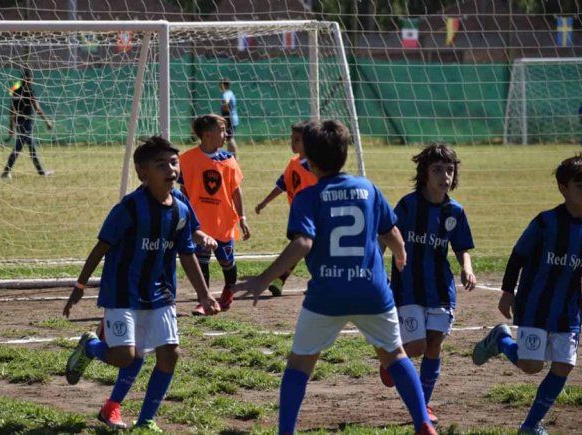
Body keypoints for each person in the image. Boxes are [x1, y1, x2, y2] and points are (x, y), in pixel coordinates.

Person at [234, 119, 437, 435]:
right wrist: (400, 255)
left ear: (309, 161)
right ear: (345, 154)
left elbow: (303, 242)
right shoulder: (368, 189)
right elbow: (392, 232)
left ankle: (285, 431)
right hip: (372, 291)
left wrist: (263, 279)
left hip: (327, 295)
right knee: (394, 355)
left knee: (300, 363)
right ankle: (422, 421)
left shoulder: (307, 197)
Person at [62, 135, 221, 431]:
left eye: (174, 163)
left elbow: (187, 254)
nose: (171, 170)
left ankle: (147, 420)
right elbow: (101, 248)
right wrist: (80, 287)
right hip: (123, 293)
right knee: (125, 356)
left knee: (170, 354)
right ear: (143, 173)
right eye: (162, 165)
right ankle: (90, 347)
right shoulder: (129, 208)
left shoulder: (181, 209)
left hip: (160, 293)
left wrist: (204, 295)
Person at [472, 154, 582, 435]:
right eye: (580, 184)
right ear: (563, 188)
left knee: (564, 366)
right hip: (535, 305)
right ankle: (501, 339)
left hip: (568, 311)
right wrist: (507, 292)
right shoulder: (546, 222)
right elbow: (518, 255)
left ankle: (531, 425)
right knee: (531, 366)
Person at [379, 144, 476, 426]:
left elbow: (462, 247)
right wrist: (376, 266)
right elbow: (385, 235)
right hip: (407, 286)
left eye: (449, 170)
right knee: (418, 345)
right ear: (424, 173)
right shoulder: (408, 205)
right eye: (437, 170)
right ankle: (390, 361)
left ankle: (423, 405)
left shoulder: (455, 211)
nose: (444, 176)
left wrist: (466, 268)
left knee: (435, 344)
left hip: (440, 288)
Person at [179, 114, 250, 315]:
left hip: (223, 222)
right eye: (222, 130)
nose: (226, 135)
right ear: (208, 135)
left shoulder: (228, 160)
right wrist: (184, 216)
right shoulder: (187, 159)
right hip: (199, 224)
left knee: (227, 262)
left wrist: (242, 218)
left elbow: (236, 190)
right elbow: (183, 191)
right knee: (201, 261)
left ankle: (229, 289)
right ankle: (205, 299)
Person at [254, 121, 317, 296]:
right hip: (300, 215)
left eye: (297, 140)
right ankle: (312, 280)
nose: (292, 143)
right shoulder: (293, 163)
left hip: (316, 215)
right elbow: (282, 185)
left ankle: (281, 279)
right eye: (292, 138)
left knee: (306, 248)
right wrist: (265, 202)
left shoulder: (317, 166)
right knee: (306, 249)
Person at [1, 68, 54, 179]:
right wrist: (47, 121)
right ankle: (6, 172)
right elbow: (37, 108)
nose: (32, 81)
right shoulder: (29, 92)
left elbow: (12, 111)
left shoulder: (16, 92)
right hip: (26, 123)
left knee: (28, 147)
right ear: (27, 79)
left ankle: (7, 172)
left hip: (20, 123)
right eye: (30, 79)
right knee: (23, 147)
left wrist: (12, 127)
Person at [219, 78, 239, 156]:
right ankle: (232, 156)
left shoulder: (226, 93)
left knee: (230, 138)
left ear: (223, 85)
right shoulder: (230, 92)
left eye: (220, 84)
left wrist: (225, 115)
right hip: (232, 118)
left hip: (229, 118)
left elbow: (225, 102)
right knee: (229, 137)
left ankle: (234, 157)